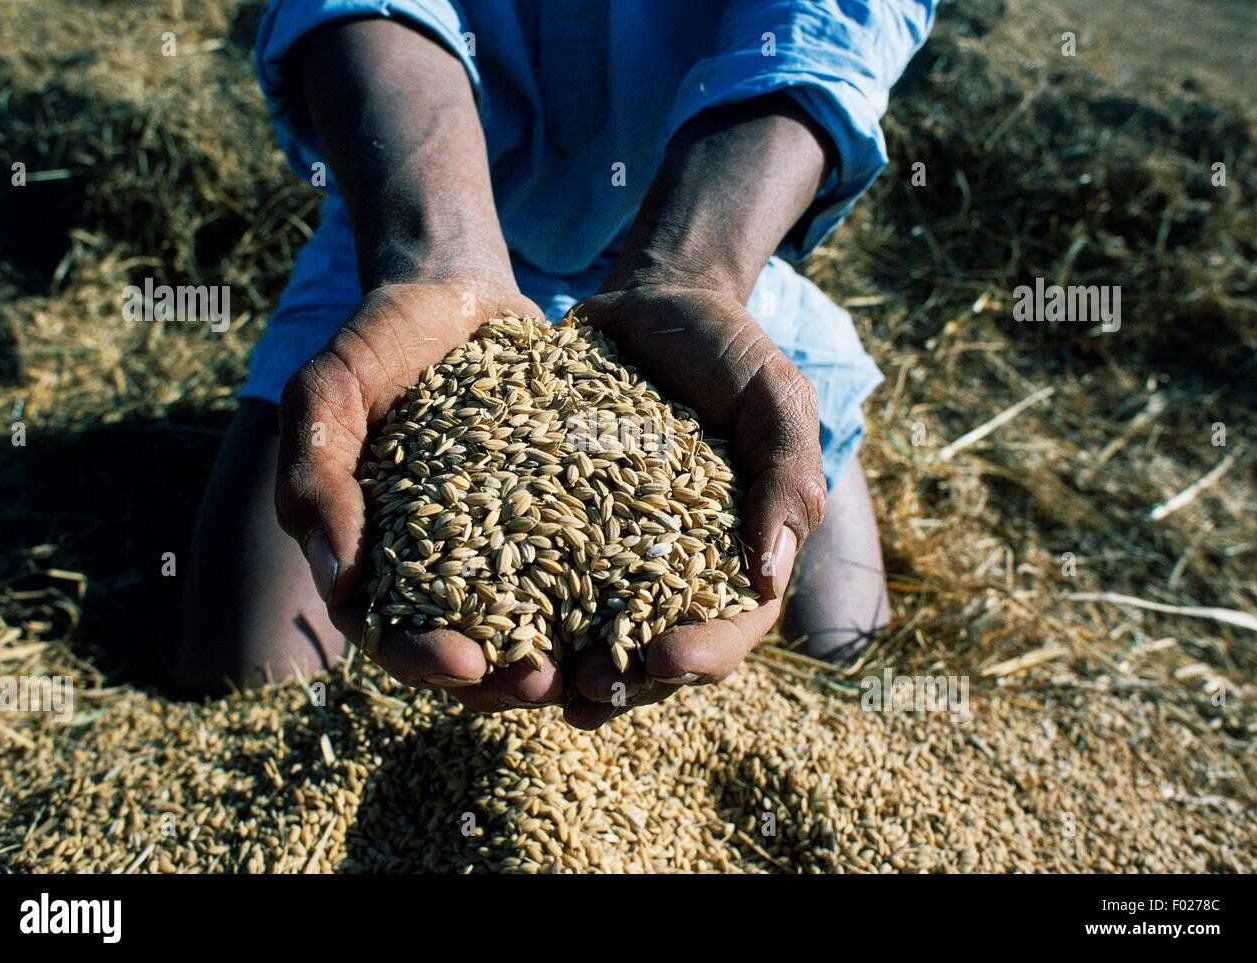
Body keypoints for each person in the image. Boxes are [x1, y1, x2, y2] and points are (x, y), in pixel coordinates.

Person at [177, 0, 935, 728]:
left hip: (707, 230)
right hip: (405, 225)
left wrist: (694, 275)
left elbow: (827, 22)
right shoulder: (423, 259)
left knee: (848, 650)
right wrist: (436, 259)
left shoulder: (699, 268)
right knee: (248, 674)